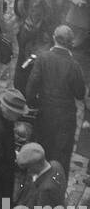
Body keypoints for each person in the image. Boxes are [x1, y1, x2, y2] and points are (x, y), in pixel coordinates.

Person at [24, 24, 88, 178]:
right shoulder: (74, 66)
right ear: (71, 43)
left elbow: (31, 87)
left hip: (45, 113)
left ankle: (36, 181)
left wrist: (33, 104)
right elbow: (80, 94)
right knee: (61, 156)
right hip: (65, 118)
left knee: (41, 148)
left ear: (54, 38)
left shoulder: (43, 58)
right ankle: (56, 186)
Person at [14, 142, 68, 209]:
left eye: (28, 167)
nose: (28, 171)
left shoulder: (45, 190)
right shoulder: (56, 164)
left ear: (35, 165)